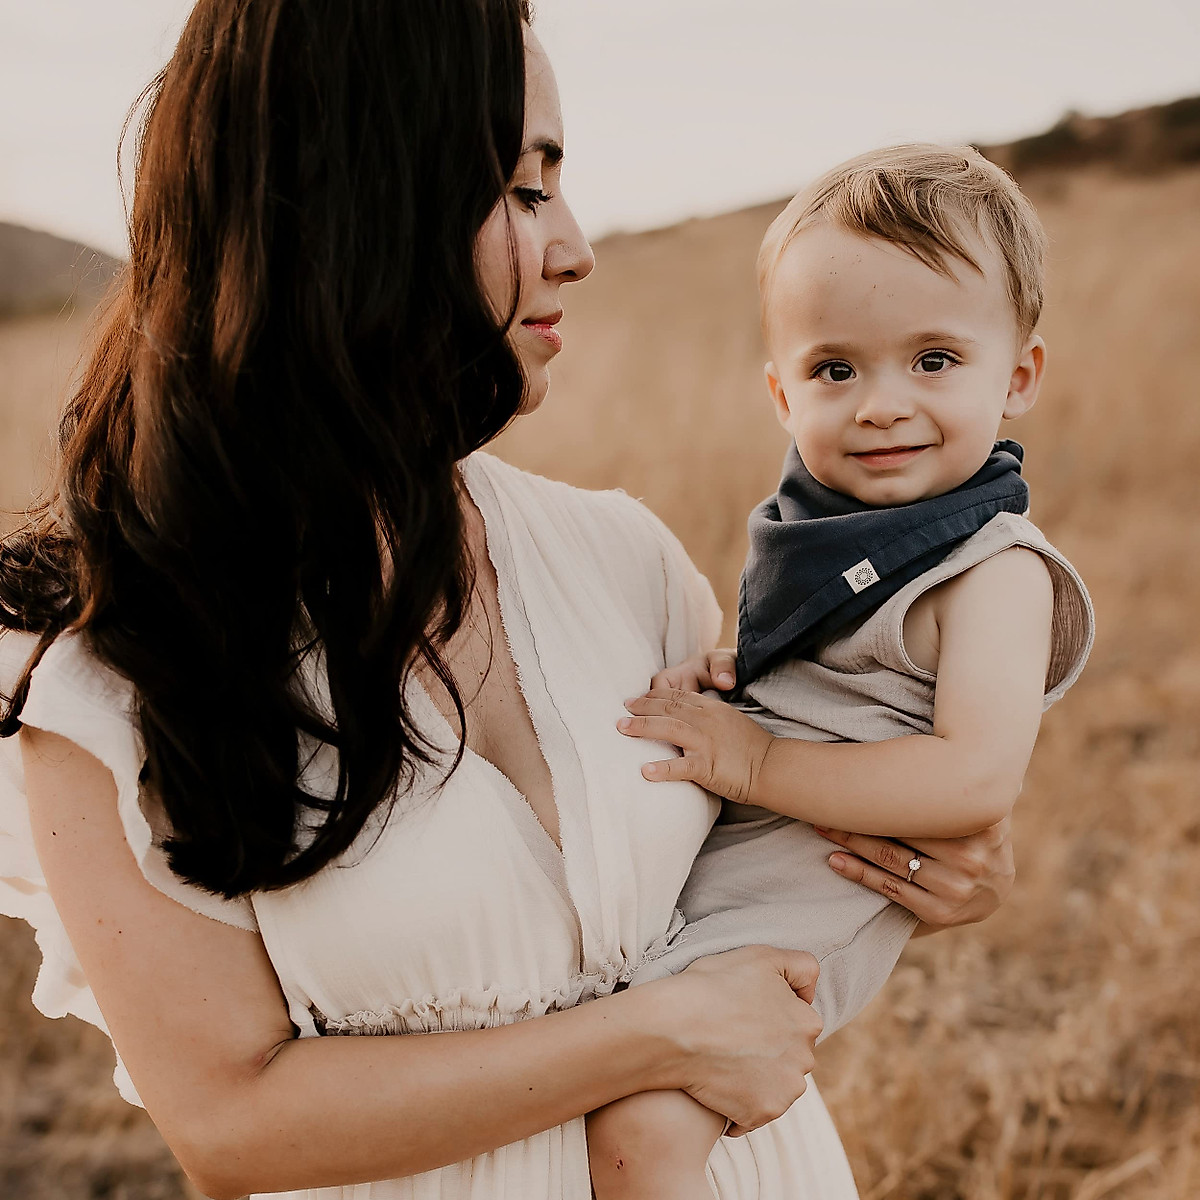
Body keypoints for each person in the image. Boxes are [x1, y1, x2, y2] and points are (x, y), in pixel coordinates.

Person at [0, 6, 1017, 1198]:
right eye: (523, 192)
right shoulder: (120, 671)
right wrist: (657, 1036)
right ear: (355, 210)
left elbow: (764, 855)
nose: (577, 248)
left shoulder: (621, 557)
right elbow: (232, 1126)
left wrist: (930, 869)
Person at [585, 145, 1095, 1199]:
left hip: (802, 907)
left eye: (935, 360)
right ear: (781, 392)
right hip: (735, 875)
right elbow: (826, 680)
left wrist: (755, 757)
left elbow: (973, 783)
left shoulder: (992, 572)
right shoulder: (835, 535)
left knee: (643, 1126)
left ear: (1022, 376)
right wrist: (742, 684)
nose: (881, 404)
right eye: (835, 369)